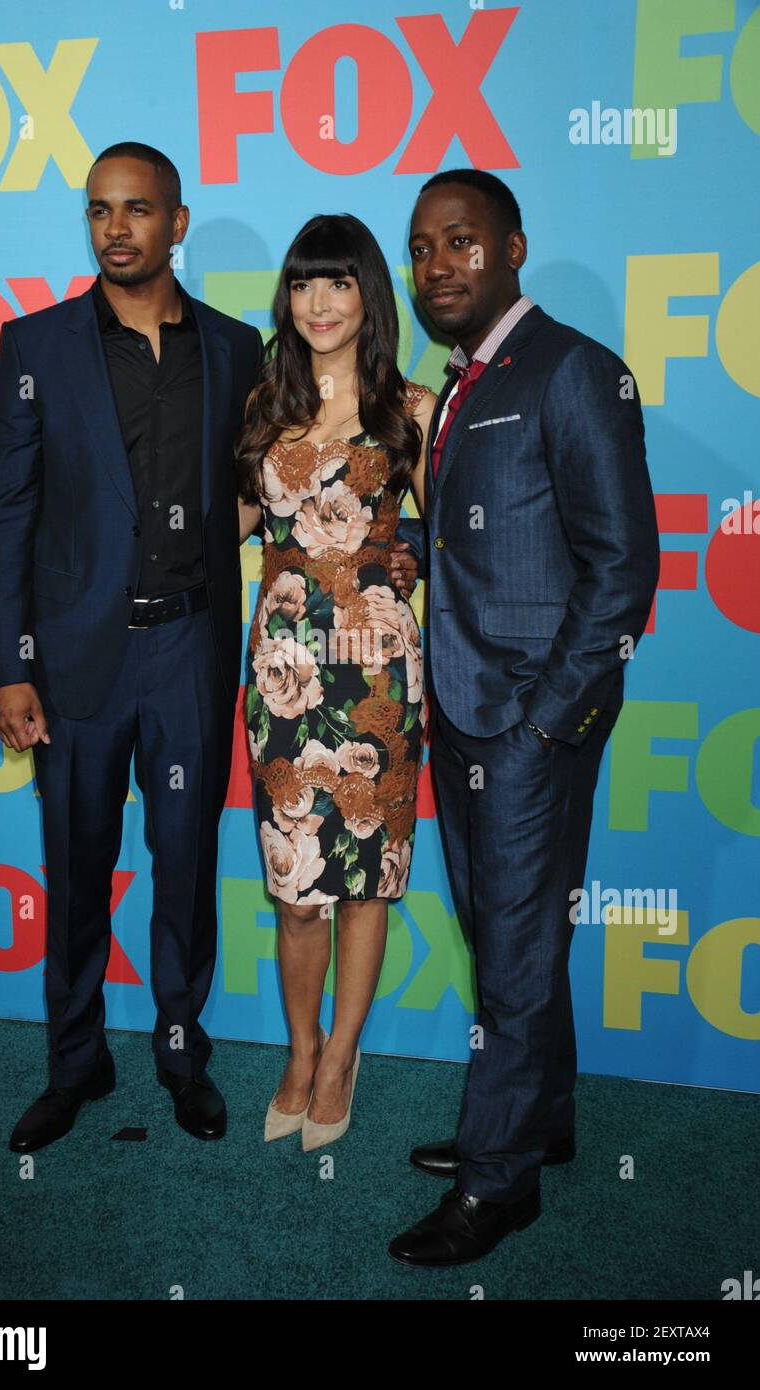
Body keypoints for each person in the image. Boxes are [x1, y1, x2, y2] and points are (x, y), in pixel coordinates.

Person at [388, 170, 660, 1266]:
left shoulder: (576, 370)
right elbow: (469, 545)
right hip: (462, 708)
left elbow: (622, 566)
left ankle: (497, 1187)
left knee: (507, 948)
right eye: (420, 248)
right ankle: (539, 1120)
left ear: (512, 248)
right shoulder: (455, 383)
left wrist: (545, 722)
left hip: (527, 721)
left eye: (460, 242)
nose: (437, 265)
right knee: (514, 934)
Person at [0, 142, 264, 1152]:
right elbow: (4, 518)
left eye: (138, 209)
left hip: (186, 650)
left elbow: (279, 486)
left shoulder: (236, 350)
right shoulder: (36, 347)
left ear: (175, 223)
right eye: (100, 209)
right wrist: (9, 669)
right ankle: (74, 1063)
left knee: (183, 867)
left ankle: (182, 1054)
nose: (116, 228)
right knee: (77, 867)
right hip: (73, 659)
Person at [236, 213, 437, 1151]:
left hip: (378, 677)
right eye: (304, 284)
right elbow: (227, 528)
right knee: (296, 885)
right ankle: (300, 1044)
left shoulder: (414, 408)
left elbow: (452, 541)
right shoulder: (262, 410)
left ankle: (342, 1053)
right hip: (283, 671)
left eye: (339, 283)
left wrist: (404, 558)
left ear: (368, 296)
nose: (318, 304)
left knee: (366, 877)